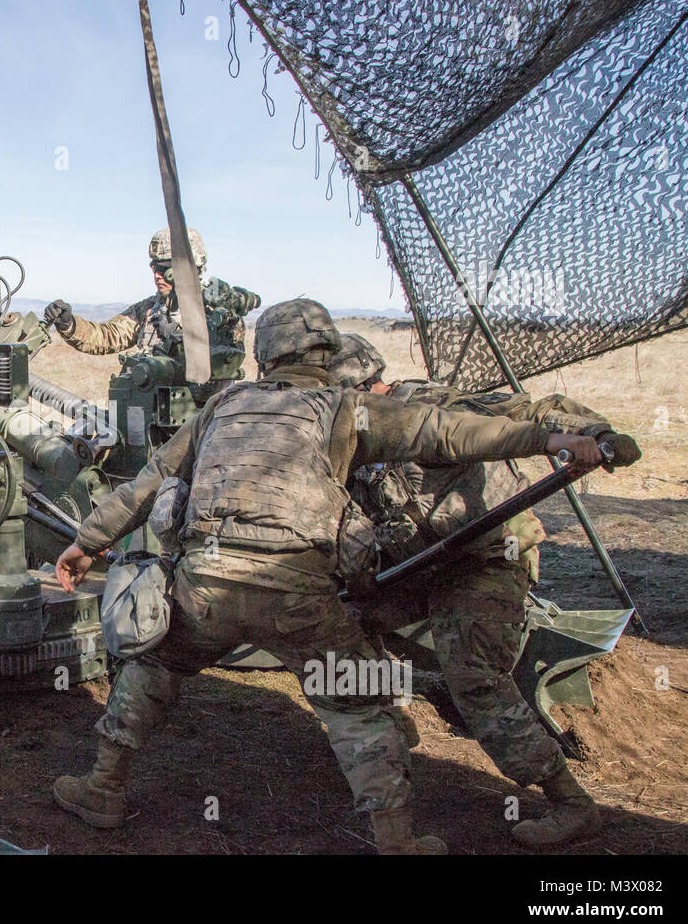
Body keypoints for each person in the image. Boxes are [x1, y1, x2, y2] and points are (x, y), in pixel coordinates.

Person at [51, 298, 605, 853]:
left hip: (211, 585)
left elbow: (146, 485)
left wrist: (86, 543)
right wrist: (554, 445)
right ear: (326, 352)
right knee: (354, 701)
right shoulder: (346, 410)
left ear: (263, 355)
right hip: (304, 592)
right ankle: (397, 840)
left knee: (155, 663)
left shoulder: (224, 405)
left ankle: (102, 787)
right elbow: (451, 434)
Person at [330, 331, 640, 847]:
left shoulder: (430, 406)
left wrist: (594, 433)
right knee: (343, 623)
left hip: (486, 559)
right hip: (418, 564)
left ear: (362, 387)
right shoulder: (351, 434)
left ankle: (572, 803)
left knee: (473, 676)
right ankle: (389, 715)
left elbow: (524, 410)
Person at [42, 227, 256, 369]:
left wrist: (180, 338)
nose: (156, 275)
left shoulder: (218, 313)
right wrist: (69, 324)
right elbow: (107, 337)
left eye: (164, 269)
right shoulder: (149, 310)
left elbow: (224, 365)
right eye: (153, 267)